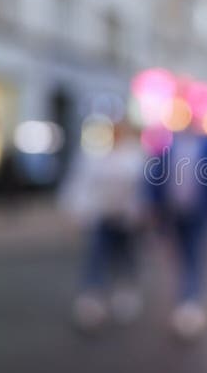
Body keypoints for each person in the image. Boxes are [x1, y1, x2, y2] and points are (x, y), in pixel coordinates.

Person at [60, 122, 146, 332]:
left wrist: (141, 211)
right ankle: (92, 298)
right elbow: (81, 184)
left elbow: (144, 187)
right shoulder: (95, 156)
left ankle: (125, 294)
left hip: (127, 219)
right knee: (97, 257)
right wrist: (77, 212)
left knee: (126, 257)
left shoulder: (136, 156)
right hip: (102, 217)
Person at [145, 124, 207, 340]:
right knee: (181, 256)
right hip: (175, 212)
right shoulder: (168, 149)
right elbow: (156, 178)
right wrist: (155, 206)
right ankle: (191, 297)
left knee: (194, 256)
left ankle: (191, 303)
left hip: (200, 212)